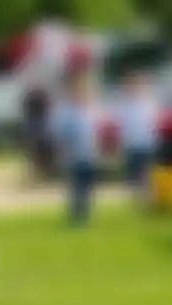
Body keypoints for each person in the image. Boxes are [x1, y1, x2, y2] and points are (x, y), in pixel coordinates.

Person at [54, 73, 101, 226]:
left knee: (87, 187)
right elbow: (62, 134)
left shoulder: (93, 110)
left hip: (90, 155)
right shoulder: (68, 112)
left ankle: (84, 213)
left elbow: (98, 132)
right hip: (74, 155)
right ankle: (76, 215)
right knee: (76, 186)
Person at [115, 71, 158, 199]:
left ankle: (147, 197)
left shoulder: (150, 103)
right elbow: (120, 127)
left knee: (147, 174)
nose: (134, 88)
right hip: (131, 146)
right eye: (131, 85)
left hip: (147, 144)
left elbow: (155, 124)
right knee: (133, 175)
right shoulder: (123, 105)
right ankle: (136, 198)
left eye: (137, 85)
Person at [22, 84, 54, 181]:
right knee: (34, 152)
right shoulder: (32, 99)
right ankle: (37, 172)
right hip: (36, 130)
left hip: (40, 130)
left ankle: (43, 171)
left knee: (41, 152)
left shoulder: (41, 99)